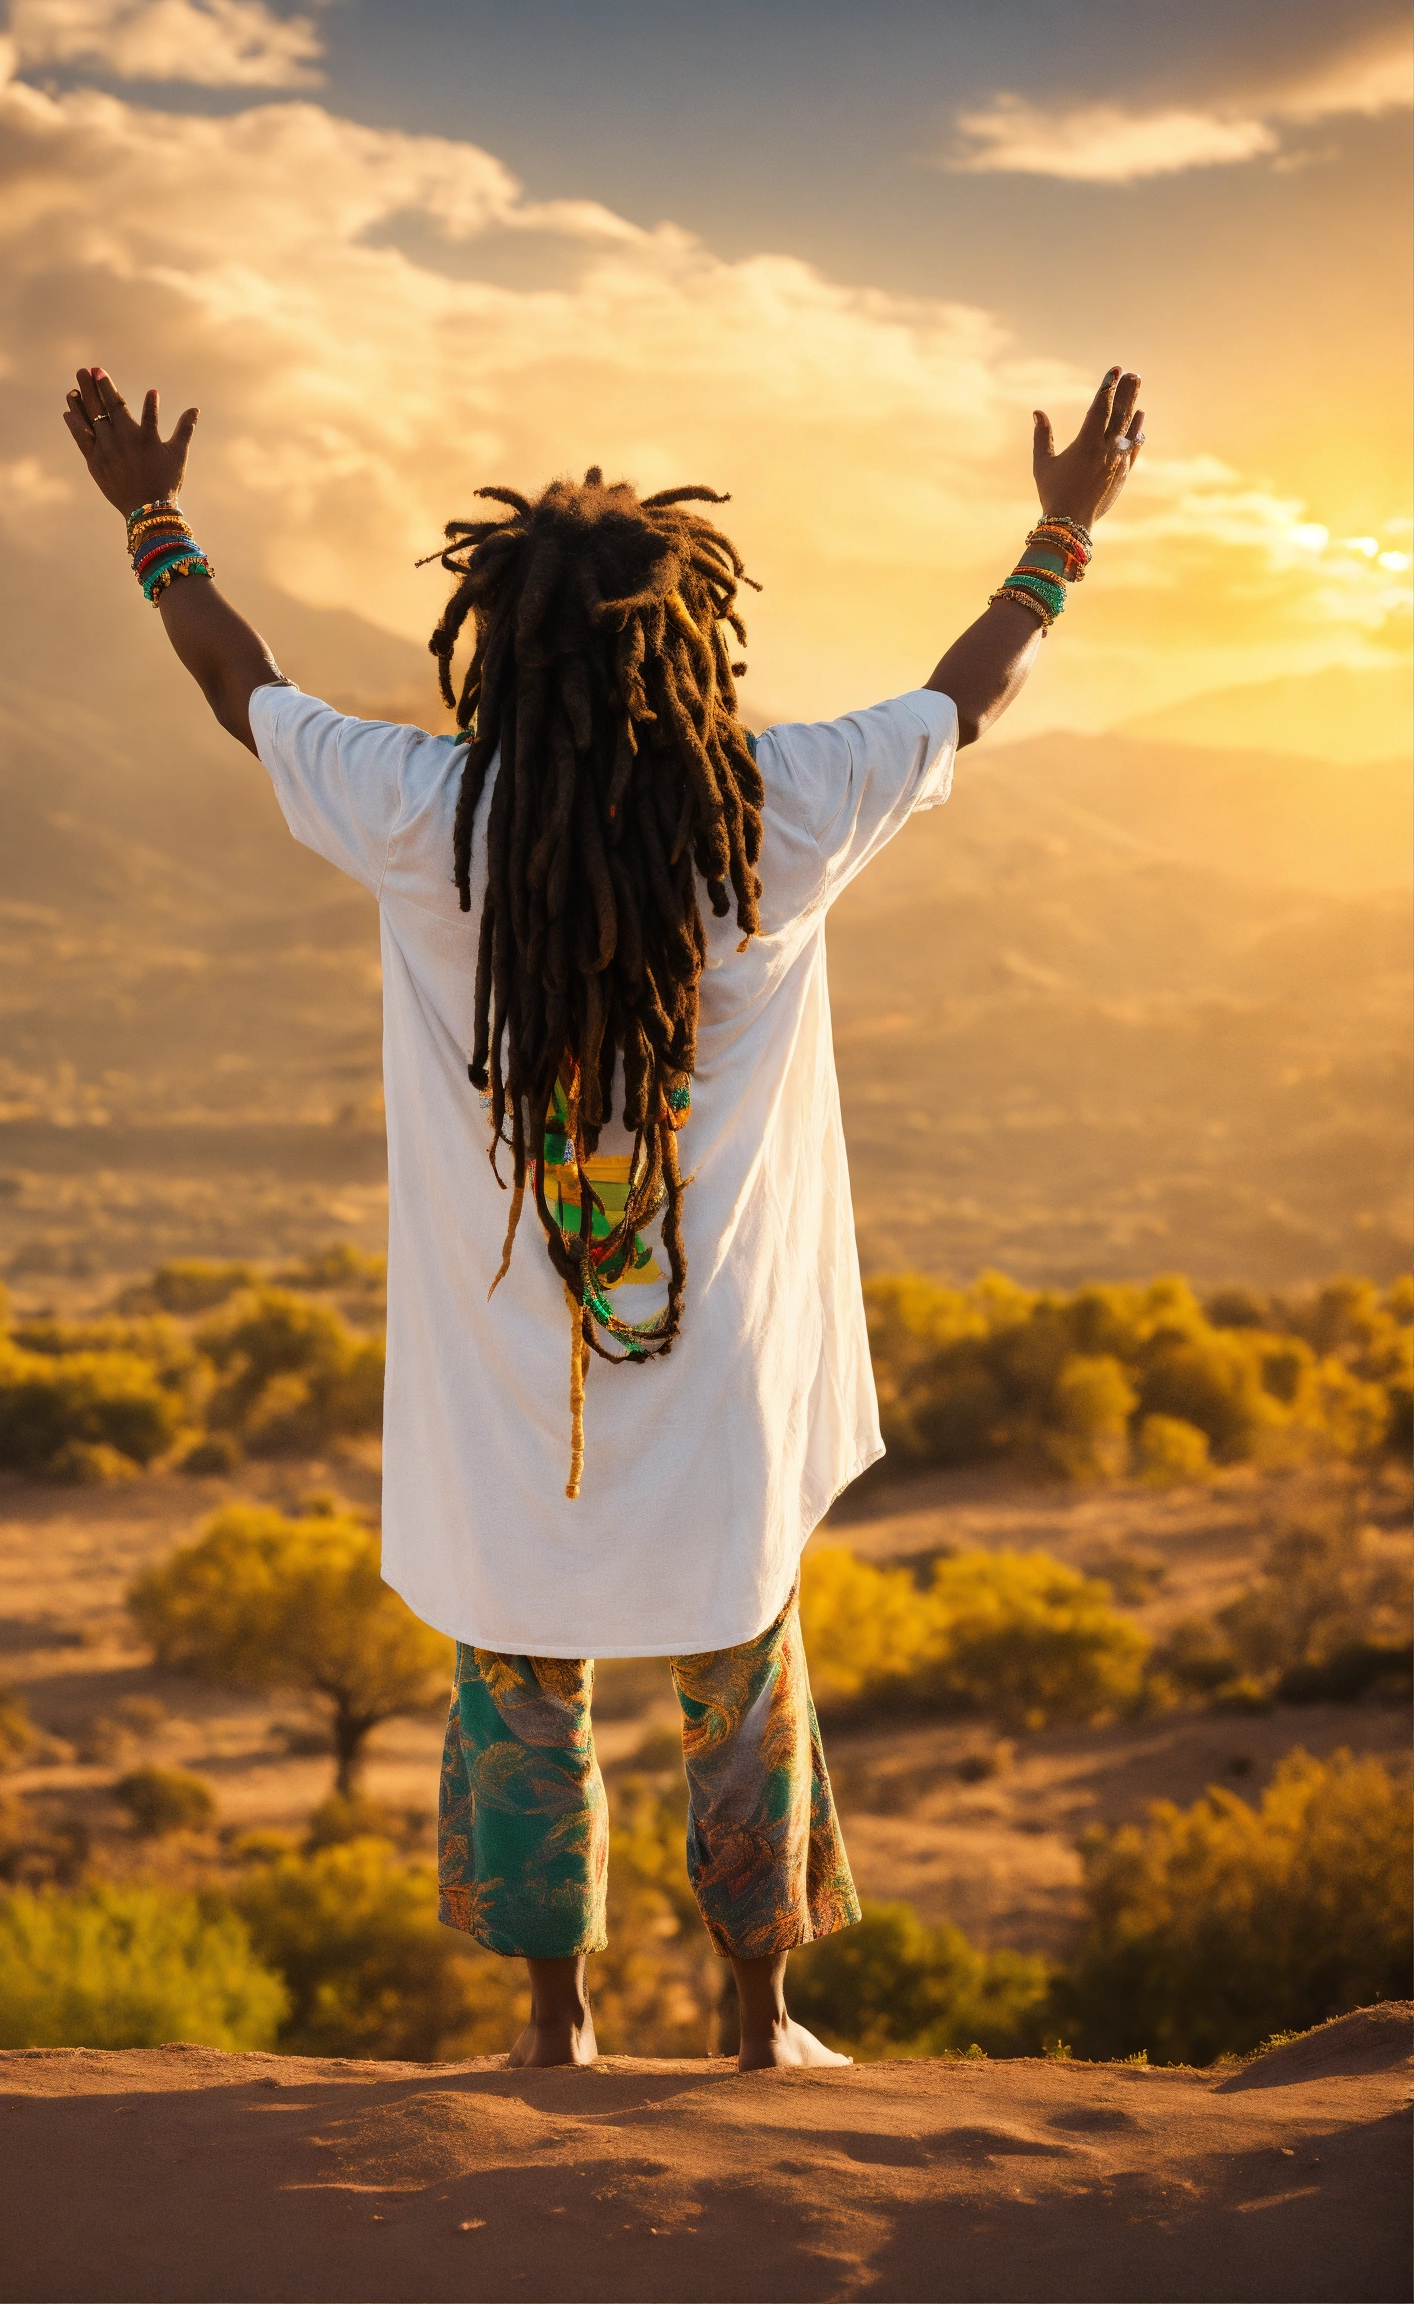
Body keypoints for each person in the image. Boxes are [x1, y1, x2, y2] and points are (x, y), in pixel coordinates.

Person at [63, 363, 1145, 2070]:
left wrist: (154, 523)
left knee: (519, 1681)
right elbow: (968, 697)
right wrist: (1063, 534)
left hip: (513, 1363)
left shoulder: (431, 812)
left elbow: (242, 690)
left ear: (499, 648)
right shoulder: (778, 810)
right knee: (742, 1682)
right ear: (692, 645)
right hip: (718, 1372)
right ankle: (757, 2025)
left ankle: (554, 2034)